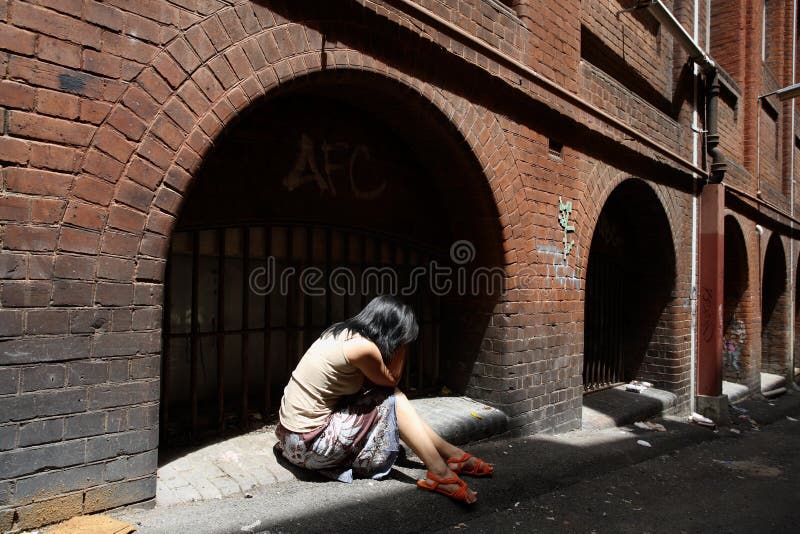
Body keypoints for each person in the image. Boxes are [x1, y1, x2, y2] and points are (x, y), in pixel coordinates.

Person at [275, 295, 493, 504]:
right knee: (392, 396)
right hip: (308, 447)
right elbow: (392, 380)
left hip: (290, 439)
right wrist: (402, 346)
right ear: (393, 331)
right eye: (403, 336)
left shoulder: (341, 332)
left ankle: (453, 455)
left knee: (391, 397)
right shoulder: (362, 348)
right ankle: (440, 472)